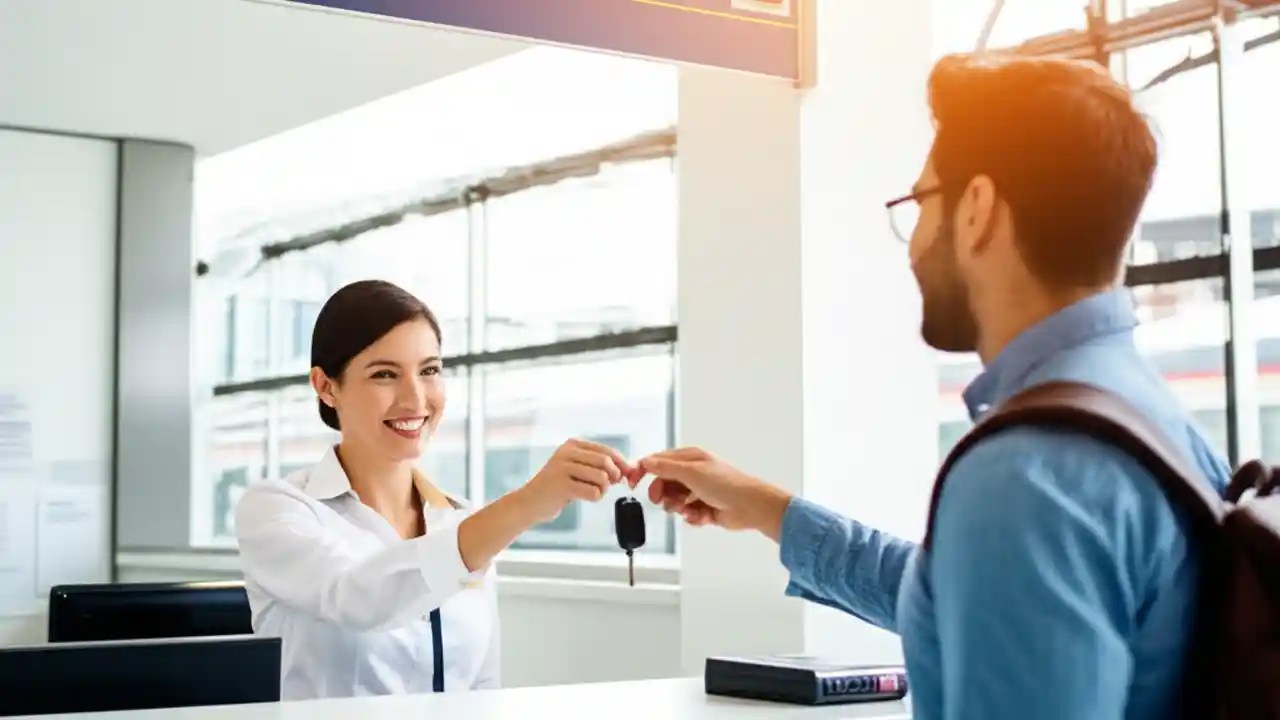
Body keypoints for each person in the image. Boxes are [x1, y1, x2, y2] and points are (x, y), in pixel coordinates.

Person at [634, 54, 1232, 719]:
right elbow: (967, 602)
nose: (914, 241)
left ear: (976, 209)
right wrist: (770, 511)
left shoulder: (1024, 477)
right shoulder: (1157, 424)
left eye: (920, 202)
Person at [235, 279, 634, 700]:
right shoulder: (277, 509)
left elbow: (483, 686)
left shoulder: (463, 522)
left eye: (429, 371)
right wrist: (526, 504)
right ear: (326, 386)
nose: (416, 398)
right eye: (385, 374)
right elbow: (358, 597)